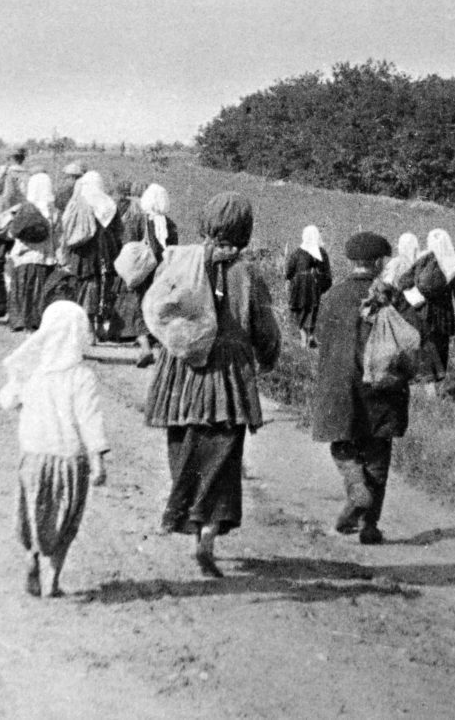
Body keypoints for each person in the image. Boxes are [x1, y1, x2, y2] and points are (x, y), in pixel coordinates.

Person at [143, 192, 281, 576]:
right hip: (228, 378)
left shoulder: (181, 260)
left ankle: (187, 515)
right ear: (245, 230)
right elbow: (266, 330)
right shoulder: (247, 274)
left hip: (182, 371)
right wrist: (267, 358)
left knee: (183, 444)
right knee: (222, 453)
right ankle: (208, 529)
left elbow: (159, 309)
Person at [0, 301, 109, 598]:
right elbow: (89, 419)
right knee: (65, 519)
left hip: (33, 456)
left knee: (35, 510)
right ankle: (53, 580)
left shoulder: (33, 370)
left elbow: (7, 401)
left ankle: (32, 555)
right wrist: (97, 459)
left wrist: (15, 382)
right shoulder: (81, 376)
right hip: (70, 460)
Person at [311, 231, 413, 545]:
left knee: (343, 443)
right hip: (382, 386)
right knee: (378, 454)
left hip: (341, 385)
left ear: (351, 261)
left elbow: (319, 338)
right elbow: (412, 338)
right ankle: (370, 527)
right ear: (381, 262)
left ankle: (354, 482)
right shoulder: (392, 296)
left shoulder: (331, 296)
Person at [59, 171, 123, 341]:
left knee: (87, 286)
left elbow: (66, 225)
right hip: (106, 252)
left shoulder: (80, 202)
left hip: (84, 253)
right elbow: (119, 231)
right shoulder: (109, 204)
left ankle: (88, 329)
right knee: (104, 287)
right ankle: (100, 326)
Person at [116, 183, 178, 356]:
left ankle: (142, 342)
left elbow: (127, 243)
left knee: (136, 301)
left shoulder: (138, 220)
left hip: (140, 268)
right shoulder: (169, 224)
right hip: (159, 270)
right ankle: (153, 335)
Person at [404, 228, 455, 383]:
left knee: (426, 348)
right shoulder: (452, 263)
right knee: (442, 348)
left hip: (423, 313)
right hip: (444, 315)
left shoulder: (423, 260)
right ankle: (439, 384)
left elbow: (404, 281)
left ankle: (425, 385)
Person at [6, 171, 58, 333]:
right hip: (44, 258)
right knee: (39, 291)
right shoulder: (53, 211)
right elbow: (57, 236)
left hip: (23, 256)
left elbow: (12, 232)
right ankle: (35, 321)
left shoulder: (25, 208)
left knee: (20, 289)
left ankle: (18, 320)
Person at [0, 148, 31, 318]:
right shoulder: (30, 177)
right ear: (23, 159)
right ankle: (18, 305)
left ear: (10, 158)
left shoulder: (2, 174)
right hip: (20, 226)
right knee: (19, 265)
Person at [284, 225, 332, 348]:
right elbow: (325, 271)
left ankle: (303, 335)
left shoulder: (297, 252)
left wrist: (292, 279)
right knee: (312, 309)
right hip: (313, 285)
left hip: (299, 285)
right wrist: (322, 285)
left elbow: (289, 271)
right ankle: (310, 335)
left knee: (299, 309)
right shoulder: (320, 252)